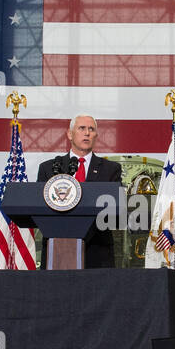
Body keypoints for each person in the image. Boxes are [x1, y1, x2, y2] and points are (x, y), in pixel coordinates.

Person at [36, 114, 123, 269]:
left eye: (91, 129)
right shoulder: (48, 168)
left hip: (97, 253)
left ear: (96, 135)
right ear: (70, 134)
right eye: (82, 128)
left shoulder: (111, 170)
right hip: (57, 251)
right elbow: (39, 208)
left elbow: (116, 212)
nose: (87, 133)